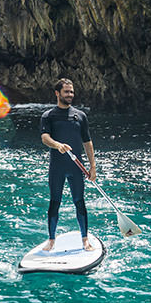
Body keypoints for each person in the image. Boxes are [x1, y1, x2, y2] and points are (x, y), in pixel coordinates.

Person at [39, 77, 97, 251]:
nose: (70, 95)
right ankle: (51, 240)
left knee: (80, 201)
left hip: (75, 168)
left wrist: (92, 166)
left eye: (72, 91)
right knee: (54, 202)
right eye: (66, 91)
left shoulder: (80, 116)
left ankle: (85, 239)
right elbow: (44, 138)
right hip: (57, 167)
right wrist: (58, 145)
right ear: (57, 93)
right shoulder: (48, 116)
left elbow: (87, 142)